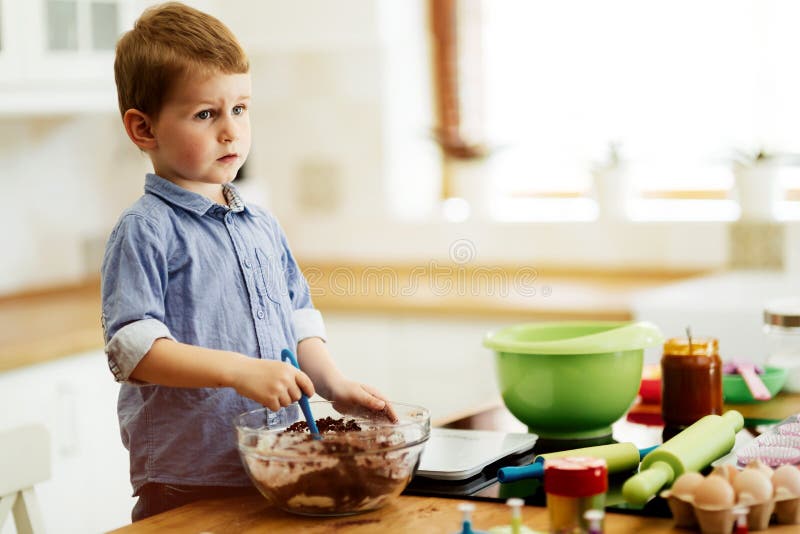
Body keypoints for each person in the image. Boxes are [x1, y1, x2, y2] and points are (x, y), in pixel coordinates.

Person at [102, 2, 394, 521]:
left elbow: (297, 317)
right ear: (144, 129)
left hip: (270, 467)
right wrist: (238, 371)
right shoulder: (146, 229)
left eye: (240, 108)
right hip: (187, 482)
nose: (231, 131)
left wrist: (332, 383)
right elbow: (135, 350)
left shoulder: (261, 223)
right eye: (206, 114)